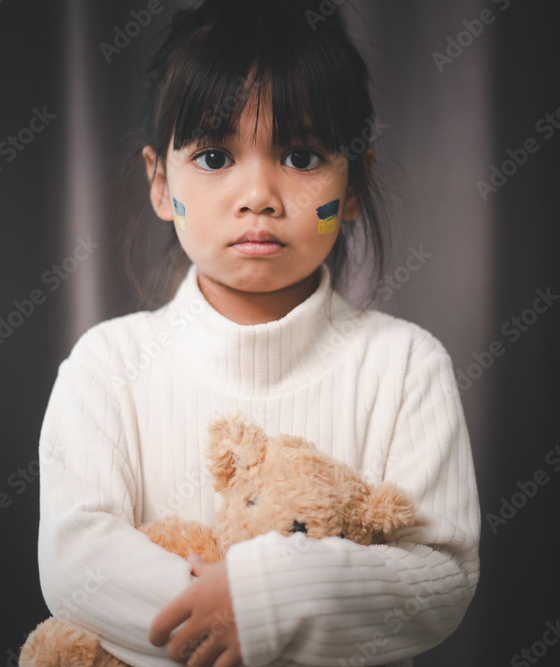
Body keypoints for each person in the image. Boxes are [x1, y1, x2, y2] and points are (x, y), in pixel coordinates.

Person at [36, 2, 481, 666]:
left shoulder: (405, 366)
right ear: (161, 182)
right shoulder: (107, 366)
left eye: (301, 154)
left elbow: (440, 577)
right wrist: (217, 618)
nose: (259, 194)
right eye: (215, 155)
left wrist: (264, 602)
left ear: (354, 181)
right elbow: (76, 561)